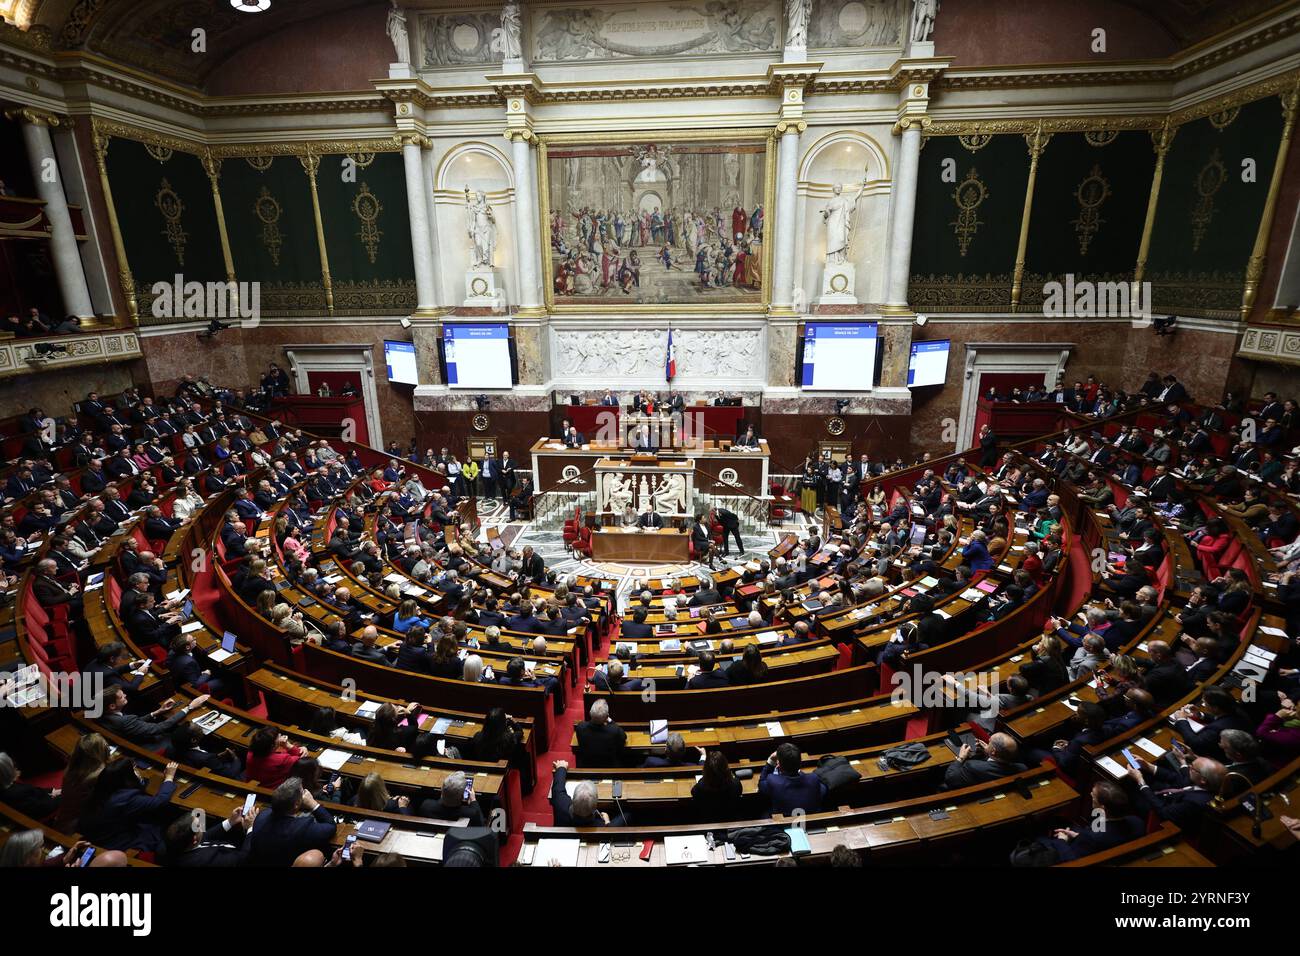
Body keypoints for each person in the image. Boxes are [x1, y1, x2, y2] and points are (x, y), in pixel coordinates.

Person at [79, 758, 179, 854]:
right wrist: (169, 777)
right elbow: (160, 801)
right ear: (126, 777)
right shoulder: (126, 798)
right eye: (134, 769)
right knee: (163, 824)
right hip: (114, 842)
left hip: (98, 832)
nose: (136, 771)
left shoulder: (102, 787)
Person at [250, 778, 338, 866]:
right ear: (296, 804)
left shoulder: (262, 816)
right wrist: (312, 803)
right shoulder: (303, 827)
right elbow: (331, 826)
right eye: (302, 792)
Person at [96, 686, 209, 750]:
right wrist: (189, 707)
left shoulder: (101, 713)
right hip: (147, 746)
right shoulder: (125, 721)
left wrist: (158, 712)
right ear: (112, 706)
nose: (125, 695)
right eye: (121, 697)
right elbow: (160, 727)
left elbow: (135, 723)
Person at [759, 742, 826, 816]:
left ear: (779, 764)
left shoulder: (772, 781)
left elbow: (761, 784)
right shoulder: (813, 779)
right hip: (812, 823)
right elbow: (822, 790)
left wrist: (770, 761)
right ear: (800, 762)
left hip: (783, 824)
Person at [942, 732, 1027, 789]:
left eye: (989, 742)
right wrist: (988, 753)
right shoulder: (1022, 768)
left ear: (994, 751)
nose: (987, 742)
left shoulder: (973, 766)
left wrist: (961, 757)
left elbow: (950, 778)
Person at [691, 750, 744, 822]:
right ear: (726, 767)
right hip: (730, 819)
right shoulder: (736, 784)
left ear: (706, 770)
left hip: (708, 820)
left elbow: (693, 792)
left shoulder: (700, 787)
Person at [573, 698, 627, 767]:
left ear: (590, 713)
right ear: (607, 717)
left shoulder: (580, 727)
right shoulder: (614, 730)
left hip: (587, 766)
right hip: (609, 768)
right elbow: (624, 736)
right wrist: (610, 721)